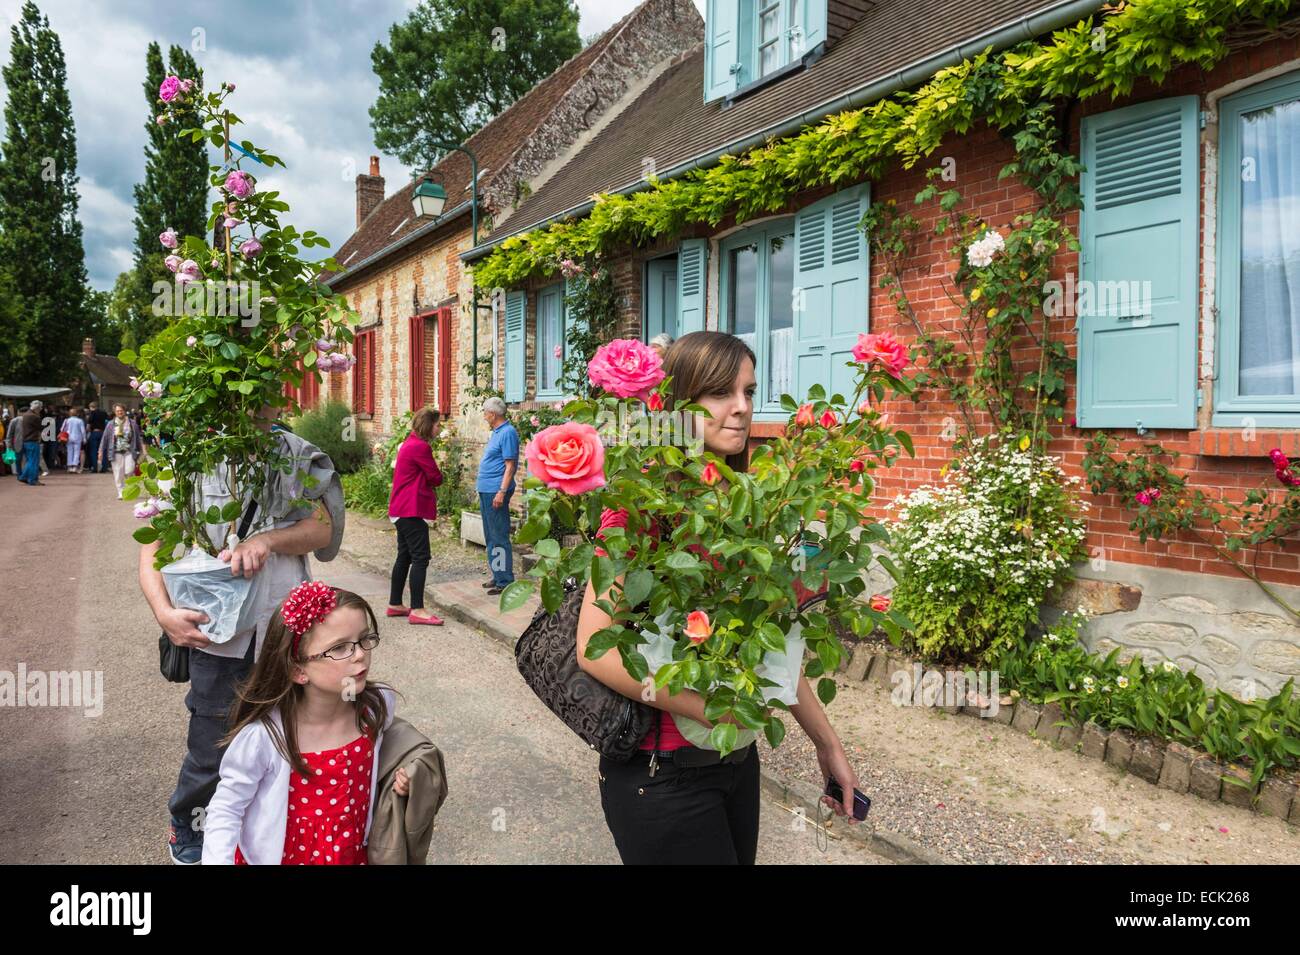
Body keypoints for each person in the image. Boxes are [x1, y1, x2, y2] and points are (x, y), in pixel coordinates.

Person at [575, 330, 863, 865]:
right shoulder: (642, 507)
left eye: (749, 393)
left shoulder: (750, 505)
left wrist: (828, 745)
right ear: (678, 402)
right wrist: (712, 710)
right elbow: (595, 646)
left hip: (734, 763)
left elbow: (770, 650)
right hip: (659, 774)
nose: (741, 409)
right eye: (719, 393)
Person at [139, 402, 347, 864]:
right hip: (218, 633)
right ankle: (188, 826)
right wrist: (163, 613)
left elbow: (322, 528)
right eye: (243, 393)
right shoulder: (190, 461)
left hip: (287, 629)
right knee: (212, 743)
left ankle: (271, 824)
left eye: (269, 389)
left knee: (290, 732)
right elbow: (153, 546)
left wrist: (266, 540)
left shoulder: (295, 456)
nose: (257, 403)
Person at [200, 583, 406, 865]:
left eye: (363, 639)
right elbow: (226, 809)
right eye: (340, 648)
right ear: (298, 670)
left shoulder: (376, 707)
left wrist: (401, 776)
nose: (360, 654)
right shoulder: (265, 737)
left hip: (352, 855)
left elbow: (388, 755)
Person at [386, 406, 444, 625]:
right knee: (421, 557)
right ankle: (417, 609)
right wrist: (439, 475)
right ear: (428, 425)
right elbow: (435, 477)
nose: (439, 429)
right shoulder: (420, 447)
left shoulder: (409, 444)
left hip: (400, 509)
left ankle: (395, 604)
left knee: (405, 556)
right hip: (412, 509)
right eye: (437, 425)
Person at [476, 396, 519, 596]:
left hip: (496, 491)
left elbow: (510, 466)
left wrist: (501, 491)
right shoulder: (497, 432)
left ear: (493, 414)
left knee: (499, 536)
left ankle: (505, 580)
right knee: (490, 536)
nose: (484, 417)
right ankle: (498, 573)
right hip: (487, 490)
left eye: (485, 413)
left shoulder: (508, 432)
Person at [100, 403, 143, 498]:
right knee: (118, 473)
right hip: (115, 452)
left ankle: (129, 489)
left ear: (124, 411)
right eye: (118, 411)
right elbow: (105, 438)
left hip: (129, 451)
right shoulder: (111, 424)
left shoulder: (132, 423)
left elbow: (137, 438)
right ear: (115, 412)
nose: (120, 412)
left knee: (129, 470)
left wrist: (141, 451)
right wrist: (101, 451)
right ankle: (121, 492)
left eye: (121, 411)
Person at [18, 400, 46, 486]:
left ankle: (23, 477)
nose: (40, 410)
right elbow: (41, 427)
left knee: (30, 461)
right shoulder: (34, 416)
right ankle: (33, 480)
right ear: (37, 408)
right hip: (33, 441)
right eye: (40, 408)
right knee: (34, 461)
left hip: (26, 441)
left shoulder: (26, 415)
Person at [62, 408, 86, 473]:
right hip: (78, 437)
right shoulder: (80, 420)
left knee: (69, 452)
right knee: (76, 452)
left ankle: (69, 467)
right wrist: (84, 438)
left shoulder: (66, 420)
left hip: (69, 437)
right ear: (77, 414)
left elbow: (62, 429)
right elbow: (83, 430)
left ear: (69, 414)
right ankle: (75, 467)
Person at [86, 401, 108, 473]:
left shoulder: (92, 413)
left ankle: (94, 468)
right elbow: (107, 421)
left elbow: (88, 425)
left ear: (90, 407)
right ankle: (104, 468)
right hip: (103, 432)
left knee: (93, 451)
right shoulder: (103, 413)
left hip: (95, 433)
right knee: (103, 450)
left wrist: (88, 431)